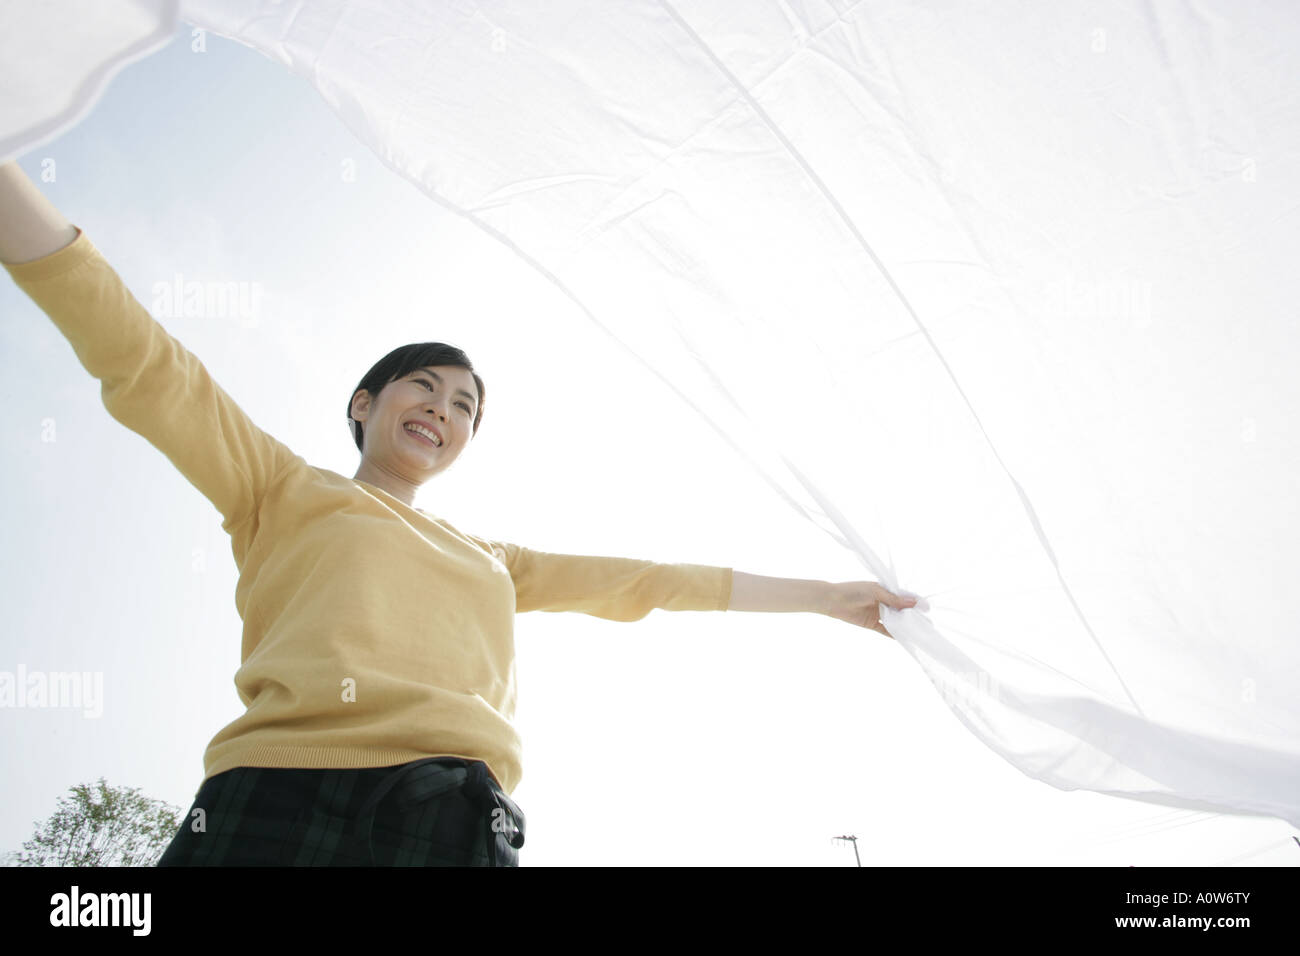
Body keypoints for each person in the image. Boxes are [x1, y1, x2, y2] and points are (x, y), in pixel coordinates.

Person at [0, 158, 922, 866]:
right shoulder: (277, 487)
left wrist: (827, 598)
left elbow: (649, 583)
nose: (444, 408)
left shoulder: (495, 560)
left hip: (447, 814)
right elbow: (148, 367)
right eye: (424, 386)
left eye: (465, 405)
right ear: (365, 403)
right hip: (270, 796)